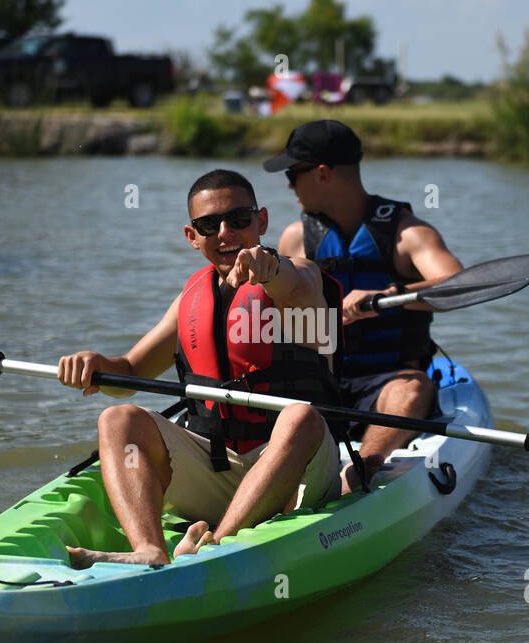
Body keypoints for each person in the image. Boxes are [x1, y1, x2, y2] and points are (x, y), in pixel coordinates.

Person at [57, 169, 342, 566]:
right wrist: (94, 364)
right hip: (219, 467)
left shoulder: (296, 274)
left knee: (299, 417)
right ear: (192, 237)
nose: (225, 232)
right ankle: (149, 550)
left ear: (261, 221)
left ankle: (213, 548)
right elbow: (130, 373)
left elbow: (294, 284)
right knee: (118, 418)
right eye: (209, 225)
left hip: (300, 472)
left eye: (239, 220)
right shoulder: (192, 298)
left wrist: (271, 269)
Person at [265, 120, 464, 494]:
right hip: (323, 380)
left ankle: (362, 471)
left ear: (322, 174)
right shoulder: (296, 238)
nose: (289, 185)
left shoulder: (408, 233)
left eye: (293, 174)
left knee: (414, 389)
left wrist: (383, 299)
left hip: (387, 381)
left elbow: (456, 287)